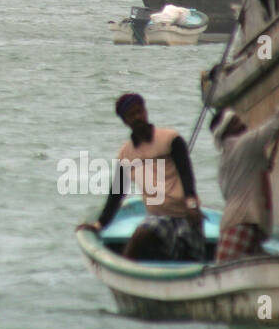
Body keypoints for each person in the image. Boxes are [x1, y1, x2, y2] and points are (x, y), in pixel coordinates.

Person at [77, 94, 204, 261]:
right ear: (125, 121)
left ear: (145, 111)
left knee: (192, 257)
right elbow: (117, 192)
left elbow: (187, 174)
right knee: (141, 235)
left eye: (139, 112)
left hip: (185, 214)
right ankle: (124, 271)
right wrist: (100, 224)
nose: (137, 117)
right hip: (157, 217)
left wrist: (192, 203)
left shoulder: (170, 139)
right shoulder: (126, 154)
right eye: (131, 115)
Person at [211, 74, 279, 262]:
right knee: (227, 272)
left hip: (239, 223)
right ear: (227, 131)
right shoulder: (245, 144)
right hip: (244, 223)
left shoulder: (225, 160)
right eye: (236, 122)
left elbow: (232, 188)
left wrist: (260, 166)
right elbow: (276, 123)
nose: (243, 124)